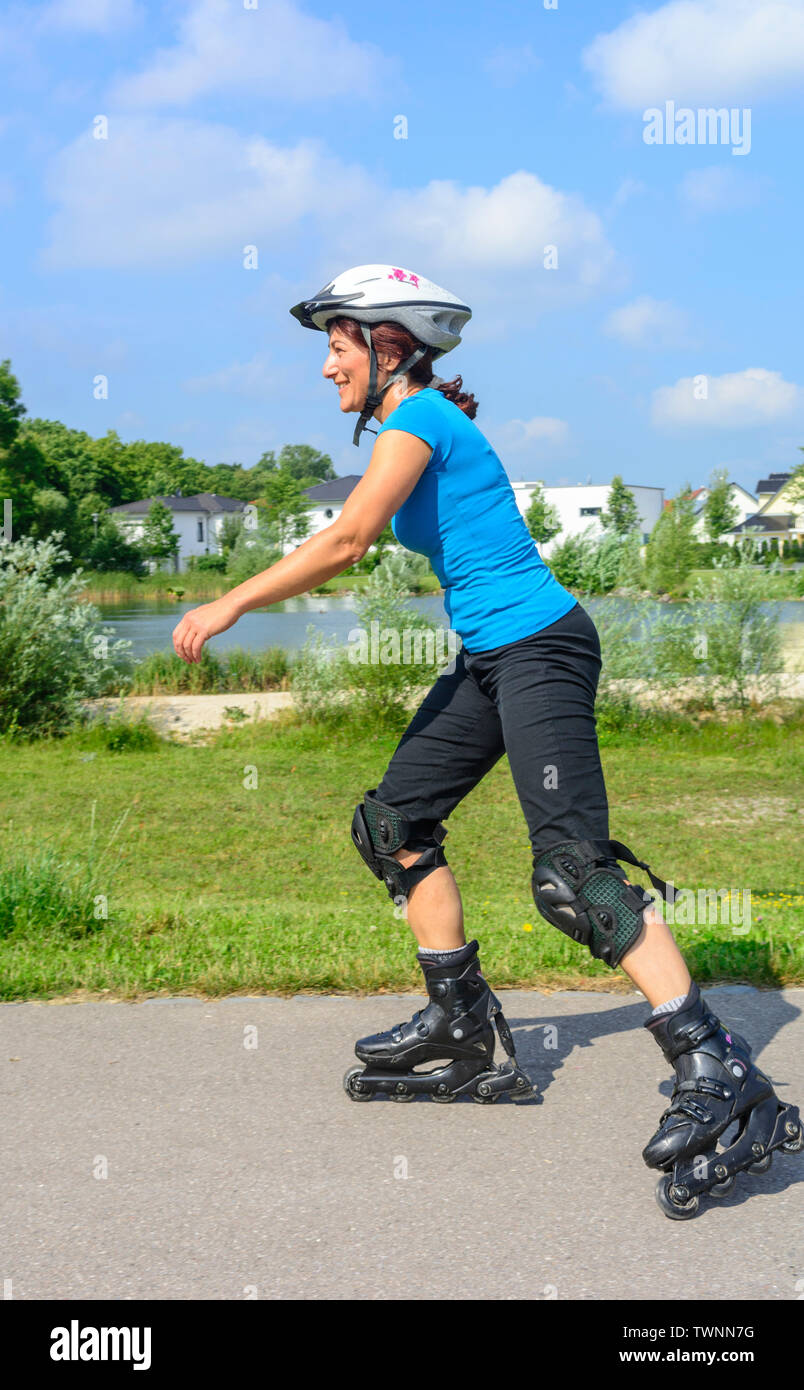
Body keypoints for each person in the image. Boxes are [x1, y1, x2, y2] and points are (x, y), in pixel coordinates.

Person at [172, 264, 801, 1218]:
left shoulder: (419, 420)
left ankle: (717, 1065)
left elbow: (345, 541)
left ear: (388, 345)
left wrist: (226, 603)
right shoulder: (407, 425)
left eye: (336, 347)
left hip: (541, 647)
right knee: (395, 823)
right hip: (490, 658)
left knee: (573, 876)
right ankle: (461, 1024)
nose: (325, 368)